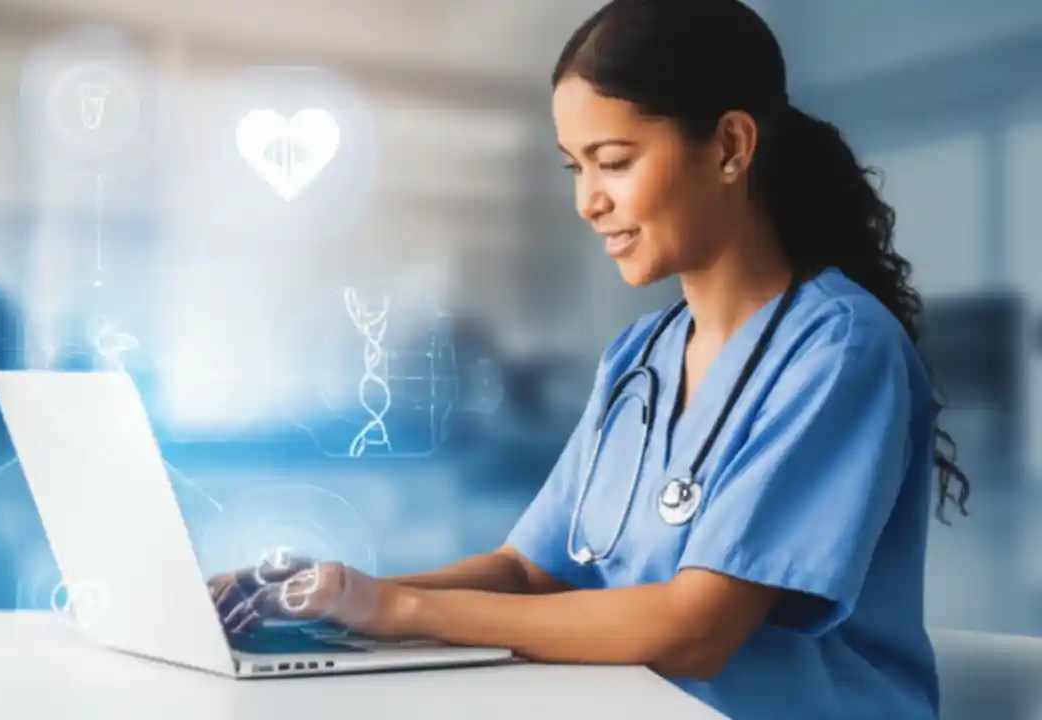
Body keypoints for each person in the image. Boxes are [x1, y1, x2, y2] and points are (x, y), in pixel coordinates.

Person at [211, 0, 971, 716]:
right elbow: (529, 571)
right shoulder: (640, 357)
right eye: (576, 167)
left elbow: (697, 630)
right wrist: (326, 596)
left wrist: (401, 609)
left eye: (614, 161)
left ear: (730, 147)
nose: (588, 202)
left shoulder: (839, 349)